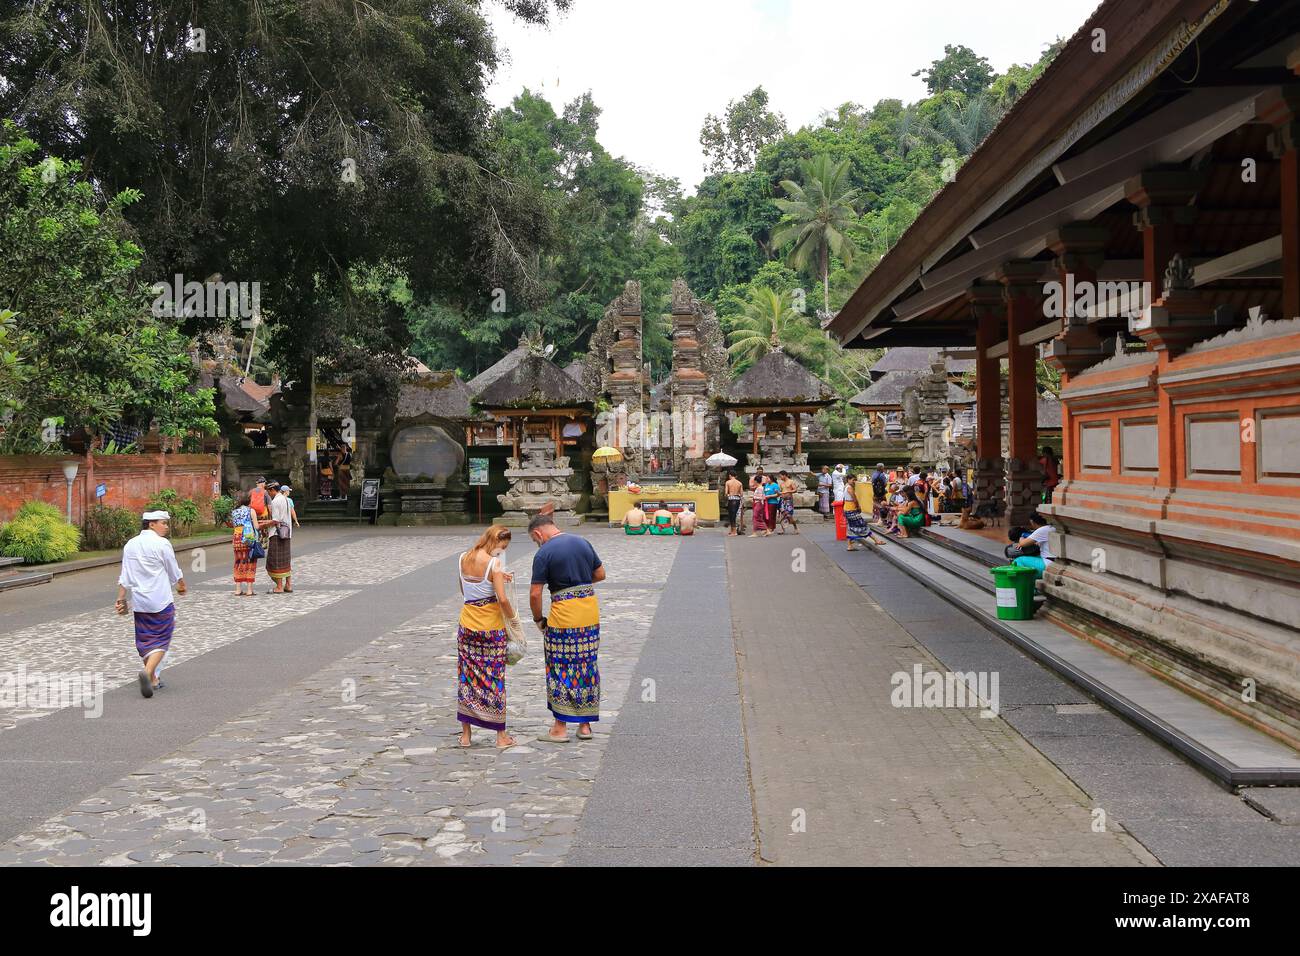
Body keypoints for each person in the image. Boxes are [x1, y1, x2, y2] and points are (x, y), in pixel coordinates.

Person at [529, 515, 605, 742]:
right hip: (589, 612)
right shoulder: (582, 541)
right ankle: (585, 726)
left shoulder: (544, 552)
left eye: (535, 540)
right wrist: (579, 584)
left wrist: (538, 619)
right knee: (586, 665)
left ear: (538, 534)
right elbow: (600, 574)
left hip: (564, 615)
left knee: (560, 667)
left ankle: (559, 728)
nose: (537, 543)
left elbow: (535, 593)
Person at [456, 525, 518, 749]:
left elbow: (464, 590)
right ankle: (501, 736)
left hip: (467, 625)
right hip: (490, 628)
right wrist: (513, 620)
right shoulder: (494, 563)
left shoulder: (463, 558)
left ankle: (466, 736)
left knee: (467, 677)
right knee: (494, 678)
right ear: (496, 542)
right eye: (503, 547)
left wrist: (498, 577)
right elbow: (501, 599)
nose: (502, 551)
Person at [116, 510, 186, 698]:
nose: (166, 526)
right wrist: (181, 585)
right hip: (161, 599)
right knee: (162, 638)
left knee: (146, 639)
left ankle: (154, 678)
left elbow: (126, 574)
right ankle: (147, 673)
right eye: (163, 523)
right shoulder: (162, 544)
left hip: (140, 601)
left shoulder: (131, 544)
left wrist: (121, 598)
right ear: (151, 524)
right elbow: (173, 569)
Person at [228, 491, 275, 597]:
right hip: (248, 539)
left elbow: (234, 525)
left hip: (237, 539)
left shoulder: (234, 512)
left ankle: (238, 589)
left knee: (238, 562)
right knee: (250, 562)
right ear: (248, 501)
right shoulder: (251, 511)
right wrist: (265, 525)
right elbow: (256, 527)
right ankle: (249, 590)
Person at [267, 483, 294, 593]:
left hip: (277, 534)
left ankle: (279, 586)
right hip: (287, 533)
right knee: (286, 560)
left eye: (269, 491)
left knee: (275, 560)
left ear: (273, 490)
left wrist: (264, 524)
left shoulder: (275, 501)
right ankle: (288, 585)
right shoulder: (287, 500)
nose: (269, 494)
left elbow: (276, 520)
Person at [843, 475, 872, 552]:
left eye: (855, 480)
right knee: (862, 524)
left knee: (851, 527)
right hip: (851, 509)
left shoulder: (846, 486)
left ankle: (849, 545)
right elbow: (854, 499)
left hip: (848, 509)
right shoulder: (849, 488)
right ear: (848, 480)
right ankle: (876, 540)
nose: (854, 481)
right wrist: (858, 507)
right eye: (853, 480)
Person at [748, 471, 768, 537]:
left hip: (758, 503)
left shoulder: (759, 488)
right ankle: (765, 529)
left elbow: (760, 497)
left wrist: (753, 496)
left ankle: (755, 532)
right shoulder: (760, 488)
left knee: (755, 517)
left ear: (756, 481)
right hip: (759, 503)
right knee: (758, 517)